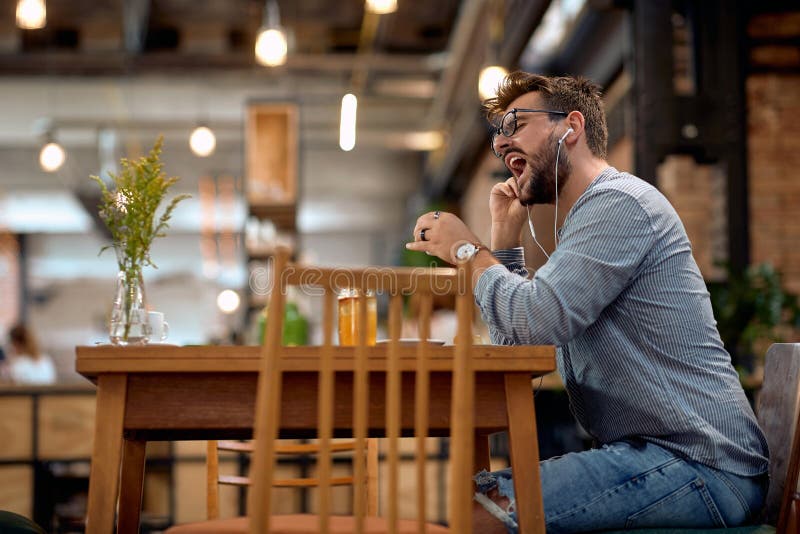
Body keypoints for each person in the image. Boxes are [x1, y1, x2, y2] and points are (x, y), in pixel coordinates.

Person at [405, 71, 768, 532]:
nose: (500, 143)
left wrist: (467, 251)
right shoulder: (587, 218)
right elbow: (518, 352)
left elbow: (536, 319)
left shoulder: (619, 204)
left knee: (483, 510)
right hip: (662, 457)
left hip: (703, 463)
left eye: (516, 124)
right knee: (481, 501)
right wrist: (504, 241)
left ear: (571, 127)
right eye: (498, 133)